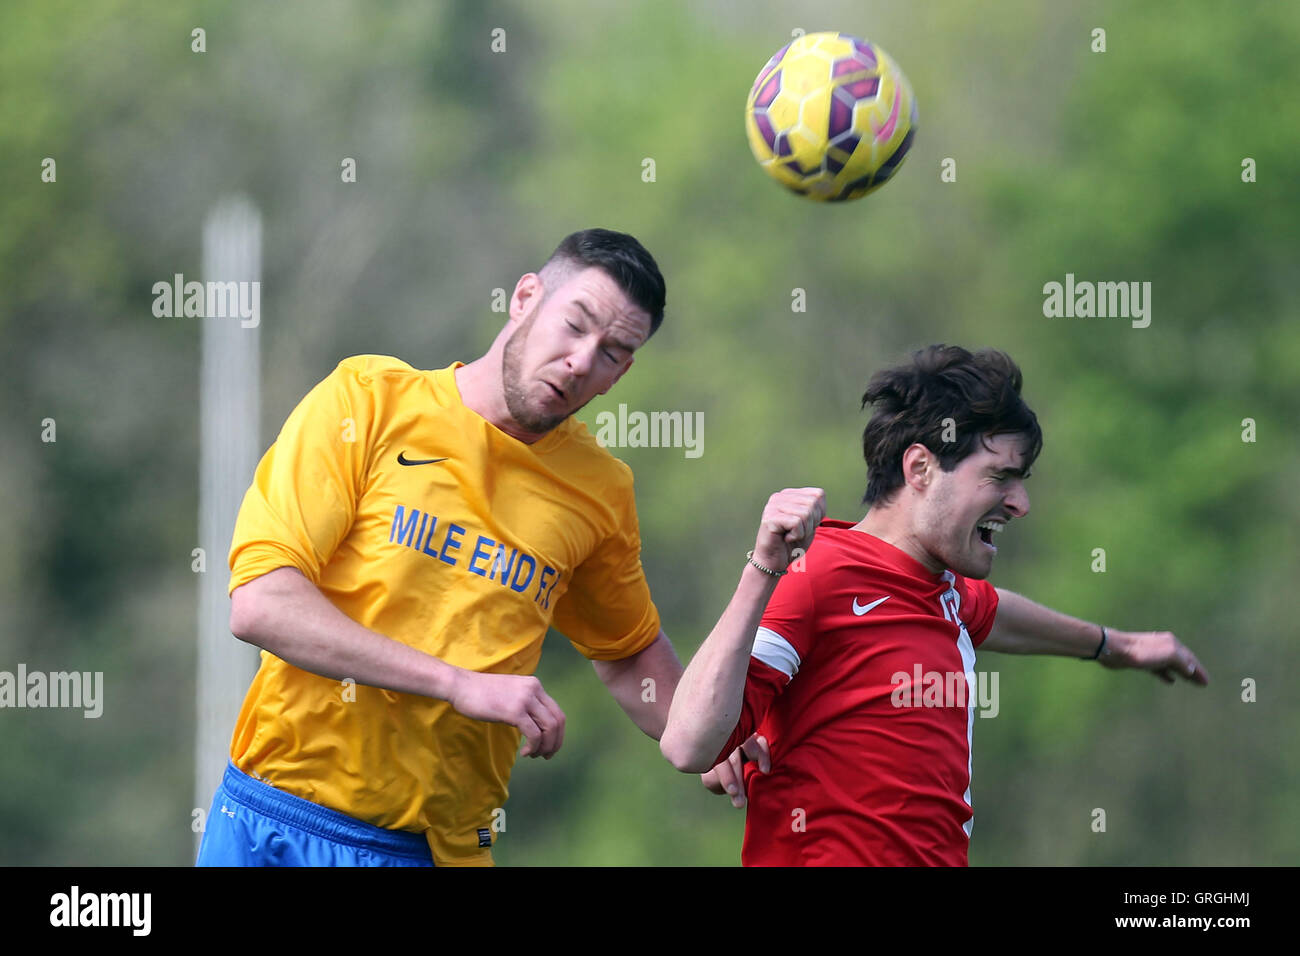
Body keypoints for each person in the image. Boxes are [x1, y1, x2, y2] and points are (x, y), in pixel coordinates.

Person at [196, 228, 699, 866]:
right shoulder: (368, 401)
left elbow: (629, 658)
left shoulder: (599, 490)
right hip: (275, 822)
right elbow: (262, 604)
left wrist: (718, 737)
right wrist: (455, 684)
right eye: (575, 324)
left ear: (621, 374)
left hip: (432, 851)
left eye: (612, 352)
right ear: (524, 298)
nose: (581, 360)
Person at [660, 344, 1209, 866]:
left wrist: (1119, 646)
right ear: (920, 468)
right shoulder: (815, 573)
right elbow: (689, 745)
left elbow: (998, 614)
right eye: (1001, 477)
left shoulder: (944, 591)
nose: (1020, 503)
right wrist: (763, 570)